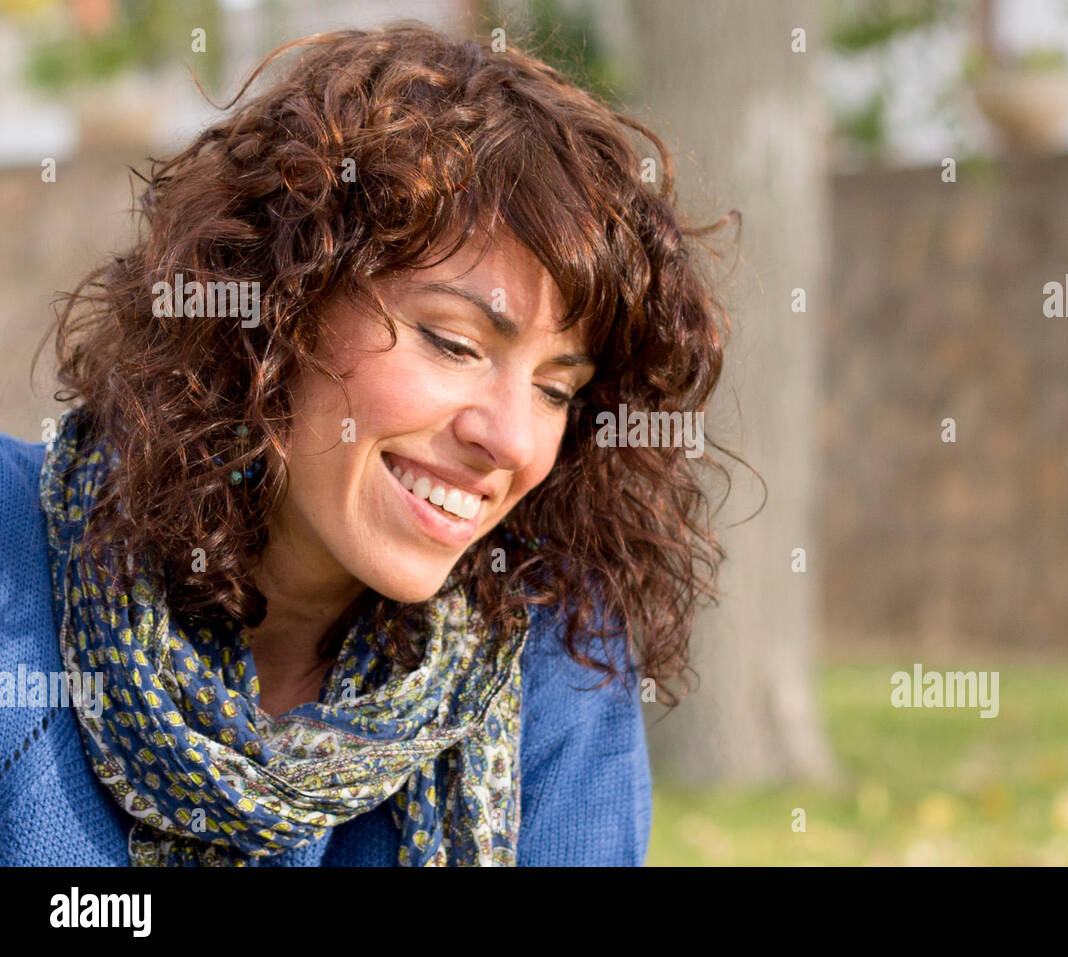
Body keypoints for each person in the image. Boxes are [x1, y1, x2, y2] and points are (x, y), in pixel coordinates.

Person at [0, 22, 732, 866]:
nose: (509, 439)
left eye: (555, 388)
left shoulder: (560, 661)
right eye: (454, 344)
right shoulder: (21, 553)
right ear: (281, 308)